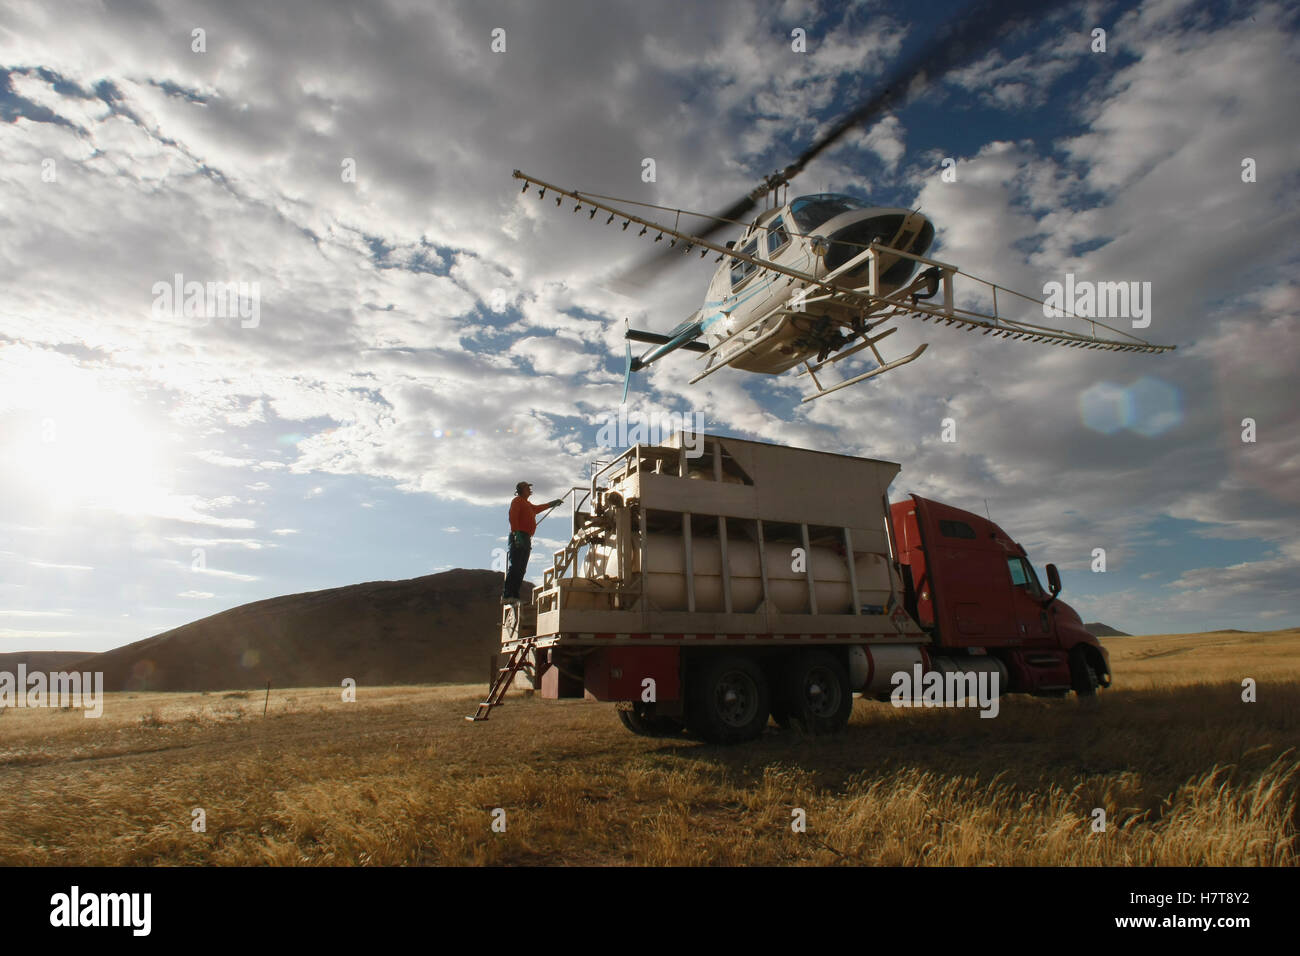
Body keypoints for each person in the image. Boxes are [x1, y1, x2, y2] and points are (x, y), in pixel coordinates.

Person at [503, 481, 561, 602]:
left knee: (522, 568)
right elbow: (513, 516)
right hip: (518, 535)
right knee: (515, 566)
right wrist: (516, 533)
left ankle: (514, 594)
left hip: (526, 537)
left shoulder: (527, 504)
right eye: (527, 488)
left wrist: (551, 504)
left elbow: (538, 508)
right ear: (521, 490)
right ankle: (507, 594)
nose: (529, 489)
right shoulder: (517, 501)